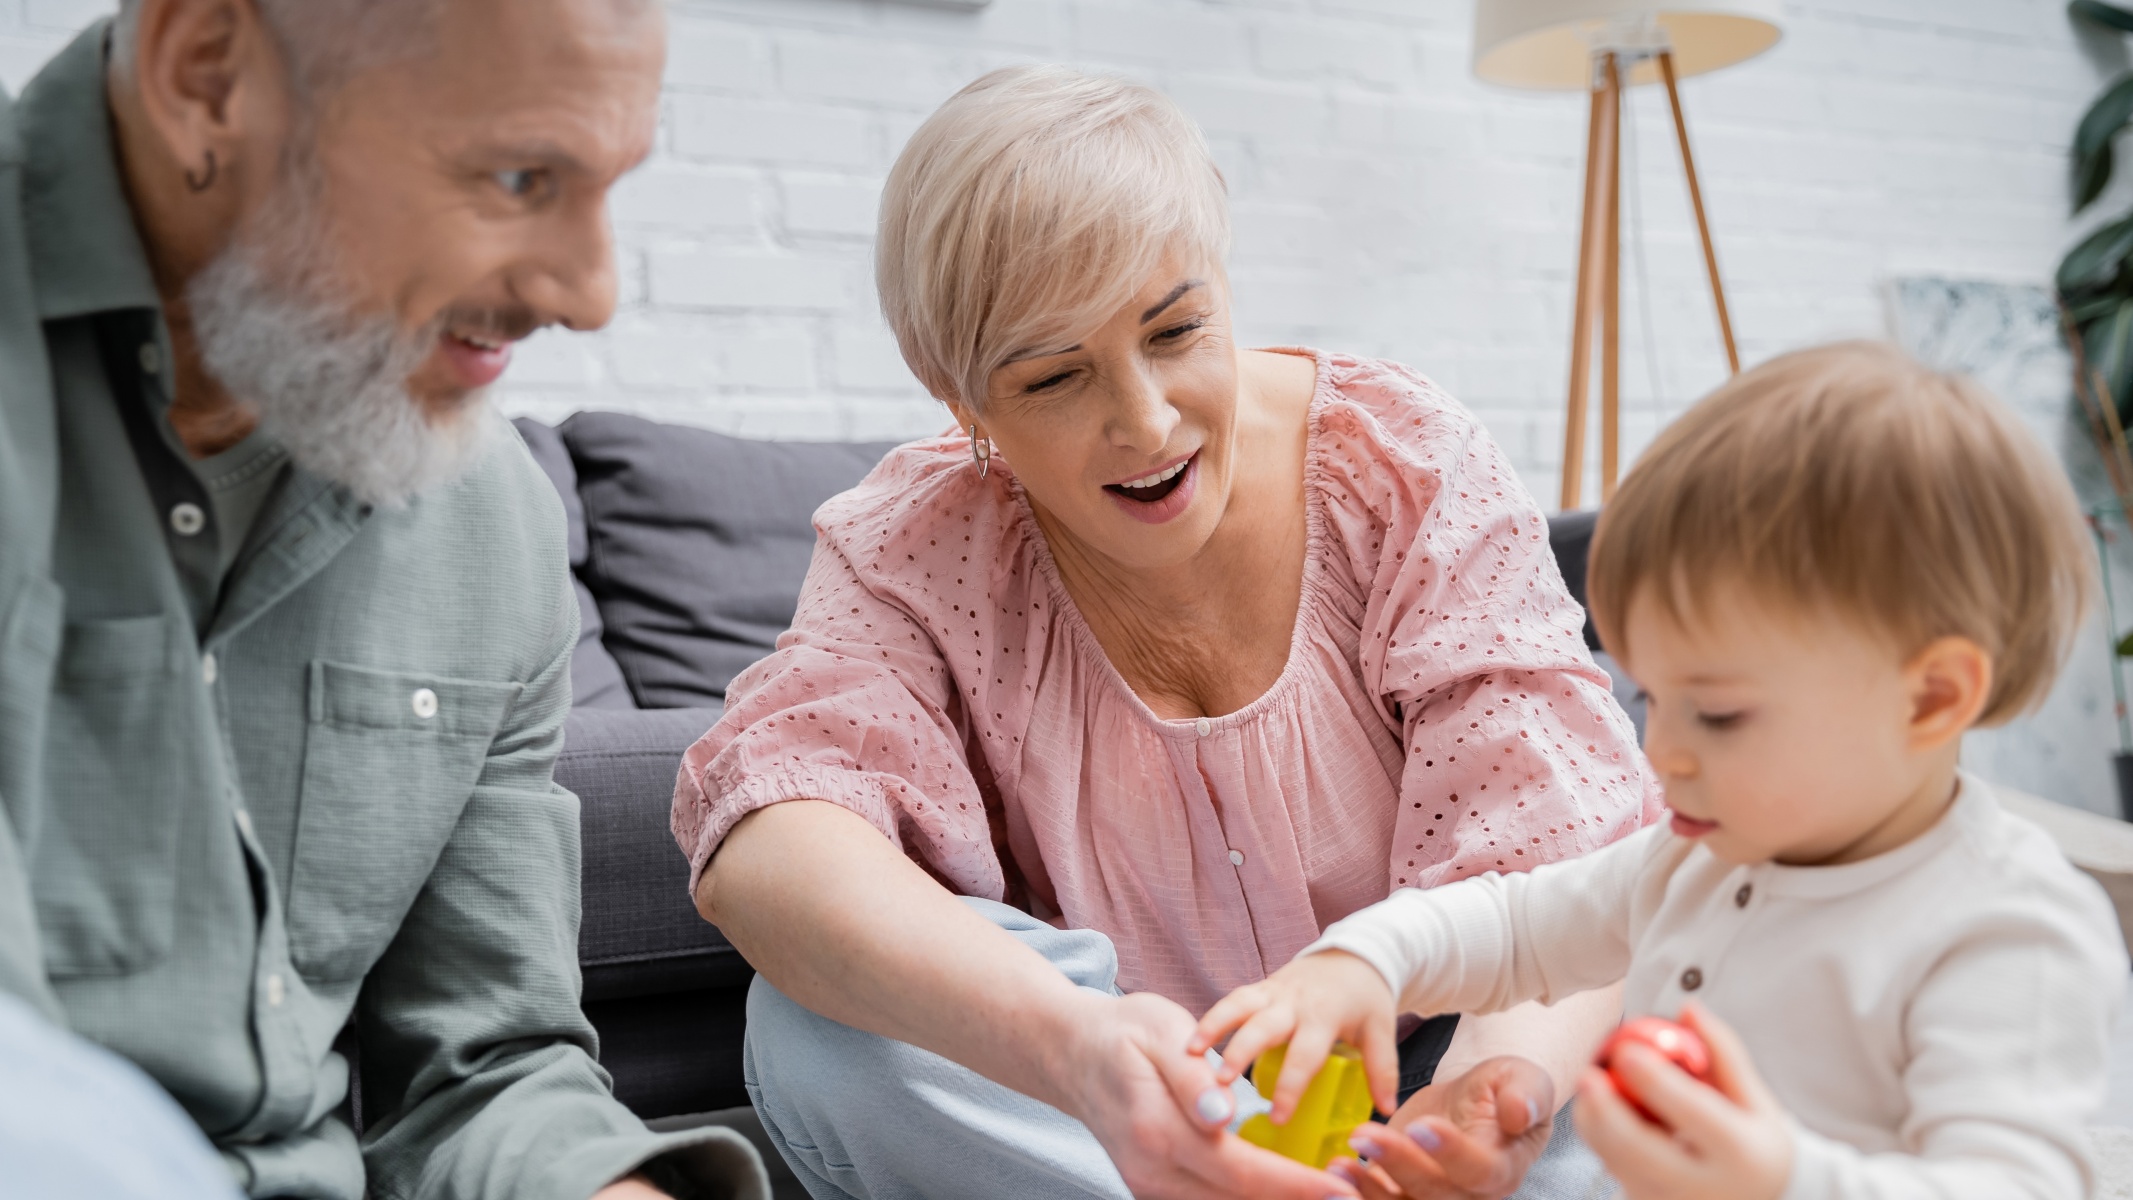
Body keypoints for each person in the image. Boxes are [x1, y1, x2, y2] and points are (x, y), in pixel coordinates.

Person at [675, 65, 1659, 1200]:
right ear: (961, 400)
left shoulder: (1404, 462)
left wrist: (1489, 1108)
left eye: (1178, 328)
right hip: (1122, 1105)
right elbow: (774, 842)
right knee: (817, 1027)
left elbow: (1568, 849)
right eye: (1053, 376)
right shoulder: (911, 547)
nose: (1145, 421)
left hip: (1438, 1044)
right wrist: (1080, 1055)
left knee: (1663, 979)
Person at [0, 1, 764, 1197]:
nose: (590, 291)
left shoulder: (492, 517)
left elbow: (483, 1070)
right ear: (205, 76)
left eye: (606, 186)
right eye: (518, 175)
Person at [1197, 343, 2127, 1199]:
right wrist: (1369, 960)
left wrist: (1781, 1177)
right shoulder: (1694, 861)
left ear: (1928, 700)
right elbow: (1516, 923)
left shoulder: (2007, 931)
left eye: (1716, 712)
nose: (1664, 750)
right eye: (1656, 697)